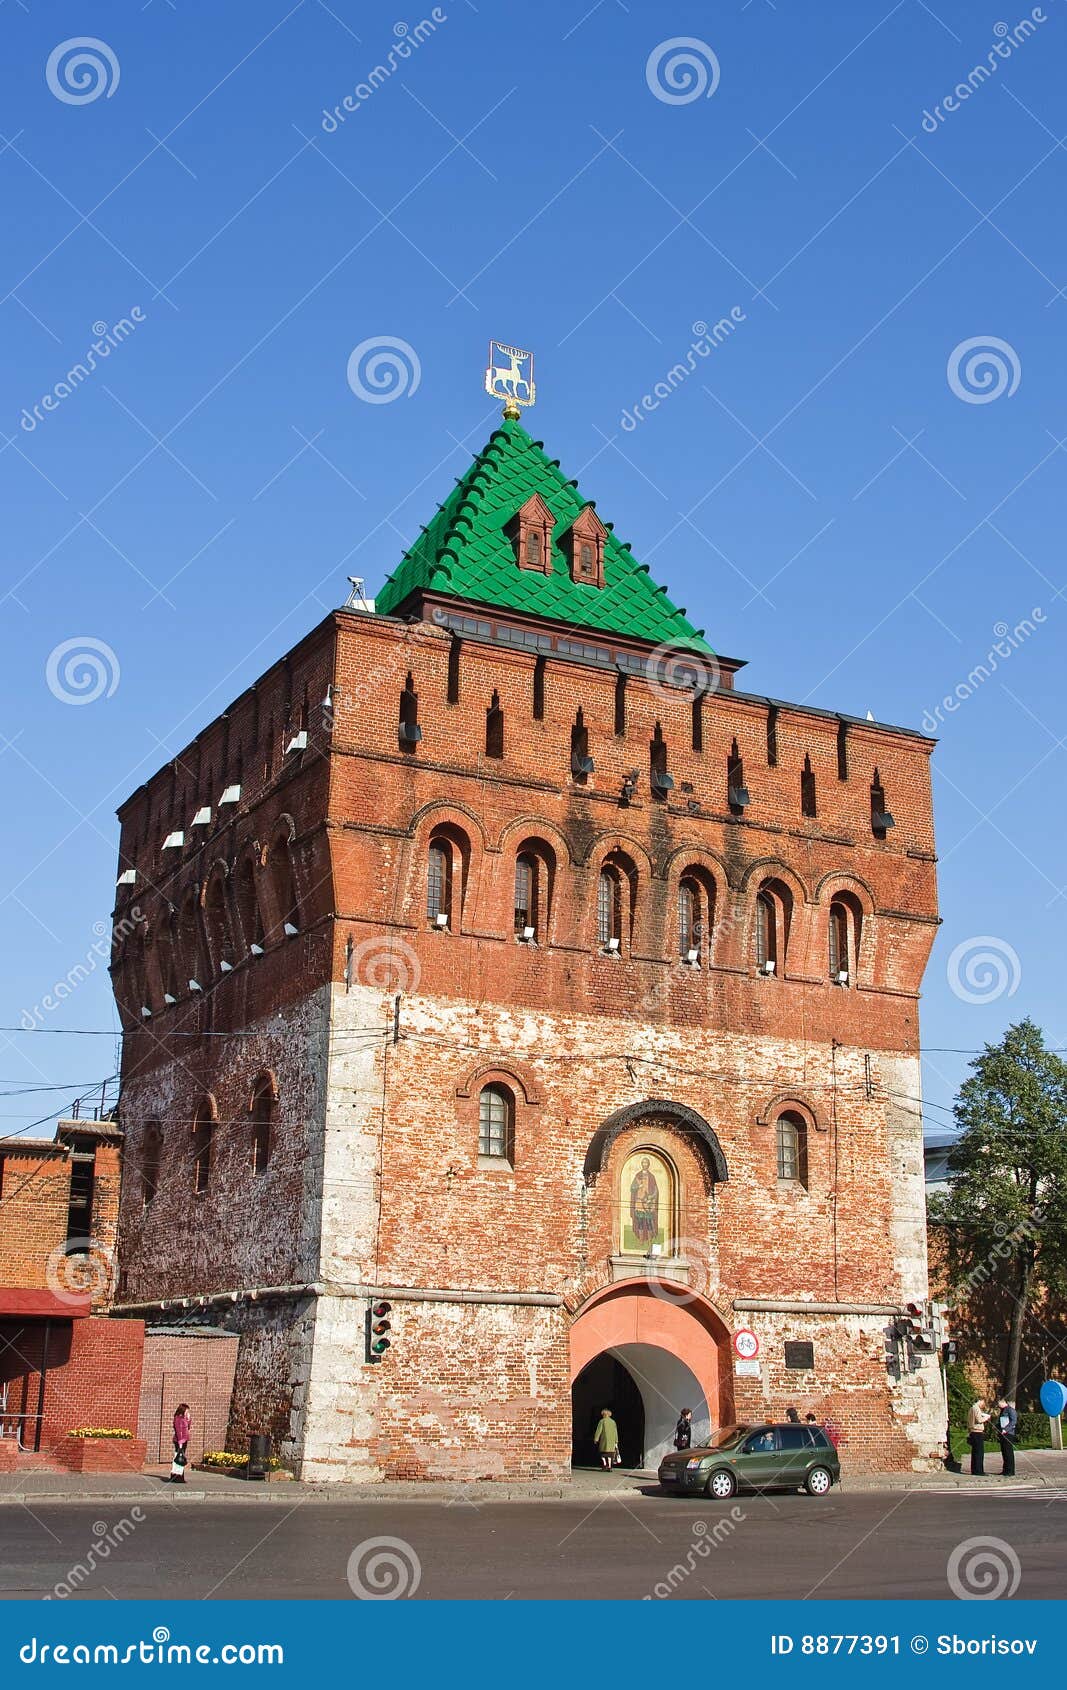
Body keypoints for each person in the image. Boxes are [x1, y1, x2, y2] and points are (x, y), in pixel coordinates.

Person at [967, 1396, 990, 1475]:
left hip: (973, 1431)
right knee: (979, 1453)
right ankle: (978, 1470)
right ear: (980, 1401)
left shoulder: (971, 1408)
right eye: (983, 1402)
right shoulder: (976, 1408)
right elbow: (979, 1420)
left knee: (975, 1452)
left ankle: (975, 1469)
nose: (983, 1404)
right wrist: (986, 1418)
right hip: (977, 1432)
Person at [169, 1402, 191, 1484]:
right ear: (183, 1410)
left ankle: (176, 1475)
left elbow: (188, 1427)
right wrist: (180, 1442)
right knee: (179, 1458)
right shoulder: (178, 1418)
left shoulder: (184, 1419)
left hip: (184, 1440)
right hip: (180, 1440)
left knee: (179, 1457)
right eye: (187, 1411)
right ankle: (178, 1477)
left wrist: (188, 1419)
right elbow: (178, 1431)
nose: (188, 1412)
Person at [996, 1397, 1018, 1477]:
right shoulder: (1002, 1410)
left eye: (998, 1403)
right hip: (1002, 1433)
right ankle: (1005, 1470)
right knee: (1004, 1452)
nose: (998, 1405)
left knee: (1008, 1452)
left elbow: (1013, 1421)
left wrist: (1006, 1429)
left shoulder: (1010, 1410)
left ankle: (1010, 1470)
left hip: (1008, 1433)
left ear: (1002, 1402)